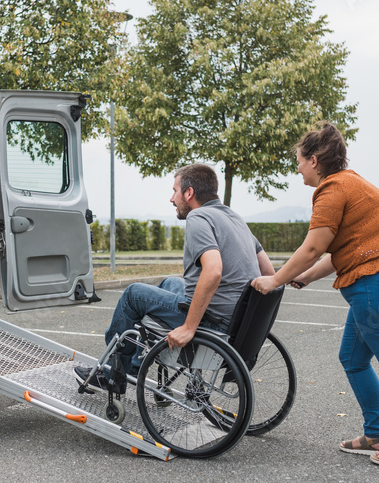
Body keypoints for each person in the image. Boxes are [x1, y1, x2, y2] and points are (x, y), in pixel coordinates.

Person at [251, 122, 379, 468]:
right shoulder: (354, 184)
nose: (298, 168)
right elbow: (339, 253)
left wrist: (273, 281)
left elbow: (313, 247)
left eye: (300, 161)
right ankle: (375, 435)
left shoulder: (331, 189)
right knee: (352, 359)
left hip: (378, 285)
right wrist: (303, 277)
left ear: (315, 160)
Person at [75, 163, 275, 386]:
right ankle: (133, 365)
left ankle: (114, 375)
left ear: (189, 193)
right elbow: (269, 273)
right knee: (170, 282)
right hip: (239, 321)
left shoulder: (198, 217)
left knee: (133, 294)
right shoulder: (235, 218)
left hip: (214, 322)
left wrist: (189, 328)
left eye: (175, 191)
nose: (172, 199)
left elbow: (214, 270)